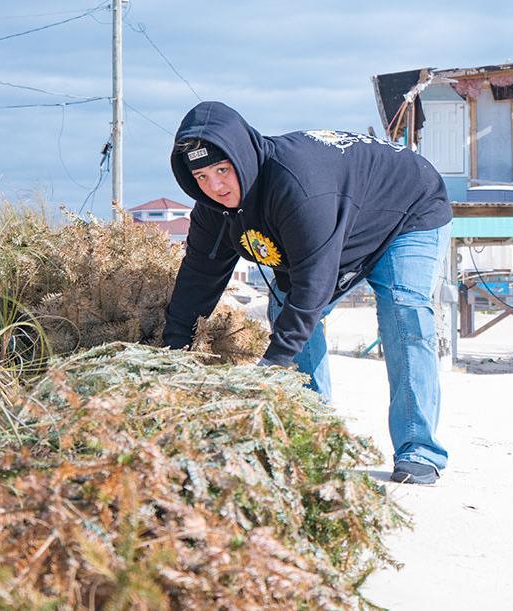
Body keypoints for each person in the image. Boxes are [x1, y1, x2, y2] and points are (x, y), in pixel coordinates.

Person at [162, 101, 452, 485]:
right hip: (338, 228)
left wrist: (272, 366)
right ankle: (315, 436)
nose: (215, 186)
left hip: (407, 208)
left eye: (222, 169)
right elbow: (197, 280)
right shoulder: (213, 210)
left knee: (403, 314)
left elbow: (313, 284)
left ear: (242, 156)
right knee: (285, 313)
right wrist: (171, 355)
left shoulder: (296, 186)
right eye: (201, 176)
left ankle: (419, 450)